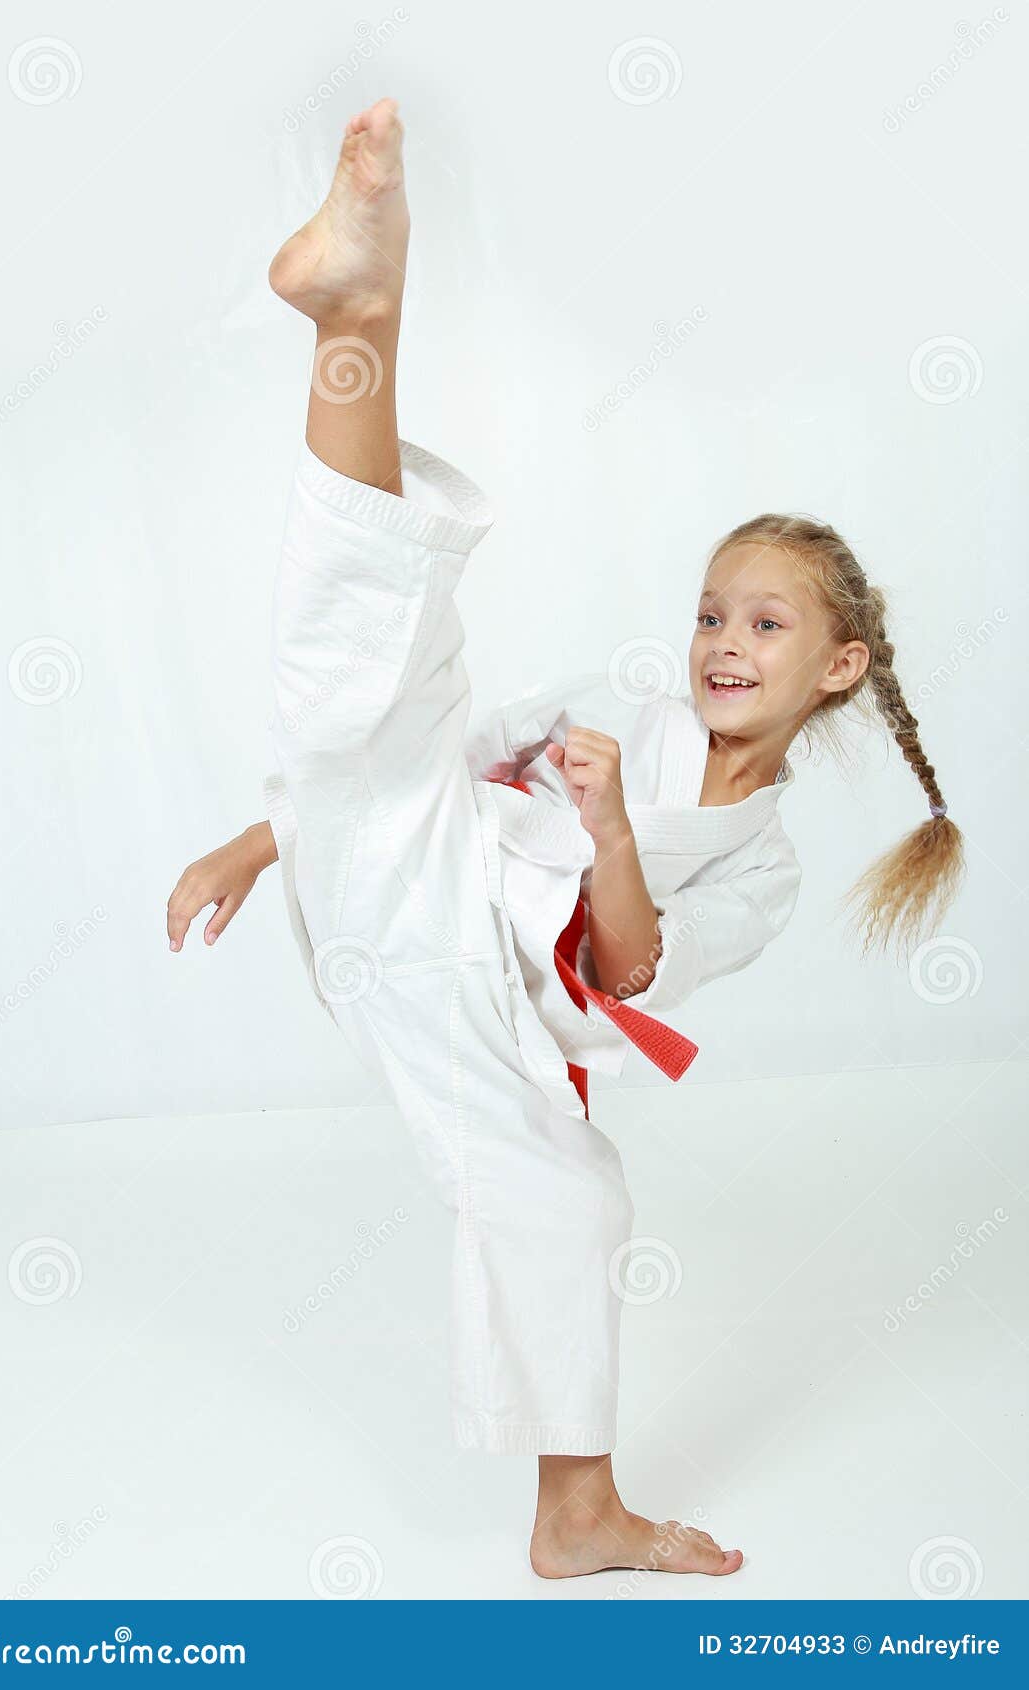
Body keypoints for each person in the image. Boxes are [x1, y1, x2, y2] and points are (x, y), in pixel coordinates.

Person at [166, 97, 965, 1580]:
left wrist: (608, 829)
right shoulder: (626, 708)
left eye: (767, 623)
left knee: (574, 1192)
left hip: (488, 1018)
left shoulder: (765, 860)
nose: (723, 643)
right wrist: (257, 843)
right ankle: (361, 298)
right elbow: (424, 756)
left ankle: (576, 1511)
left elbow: (629, 959)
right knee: (382, 665)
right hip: (411, 876)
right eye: (714, 611)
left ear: (839, 667)